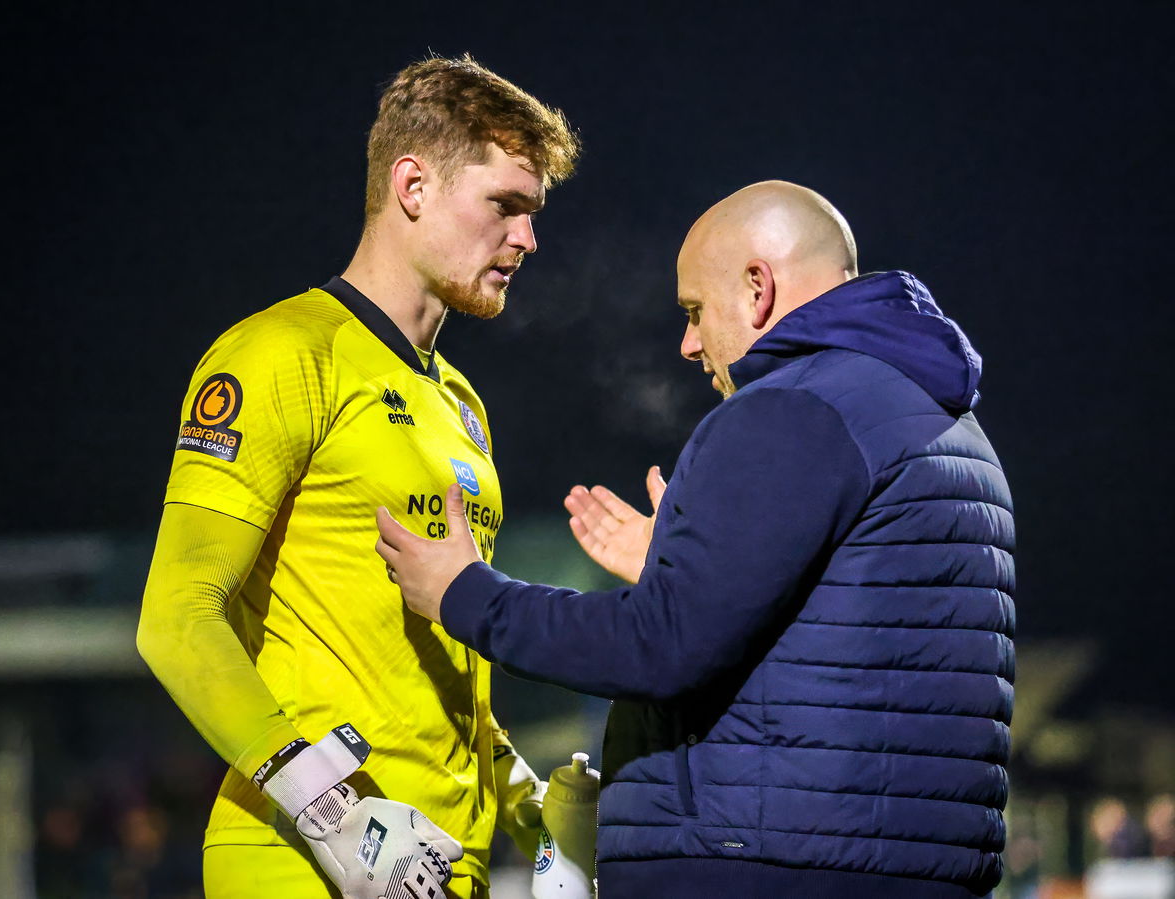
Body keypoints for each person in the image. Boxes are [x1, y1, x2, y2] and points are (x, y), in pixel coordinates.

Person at [377, 181, 1017, 897]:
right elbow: (864, 643)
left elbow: (658, 645)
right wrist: (686, 571)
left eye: (693, 311)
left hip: (761, 866)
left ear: (757, 288)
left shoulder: (792, 408)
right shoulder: (940, 419)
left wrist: (464, 593)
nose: (687, 343)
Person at [136, 55, 580, 899]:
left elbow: (443, 672)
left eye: (532, 214)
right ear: (412, 184)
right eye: (505, 206)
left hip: (446, 869)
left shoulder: (462, 403)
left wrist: (535, 811)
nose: (527, 238)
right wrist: (332, 813)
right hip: (299, 860)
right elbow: (175, 618)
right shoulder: (278, 353)